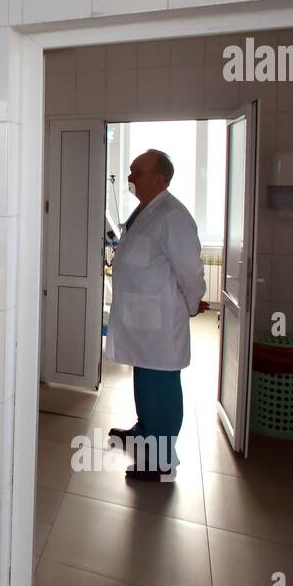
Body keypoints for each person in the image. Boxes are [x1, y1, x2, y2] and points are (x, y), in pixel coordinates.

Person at [105, 149, 208, 481]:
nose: (131, 178)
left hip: (161, 320)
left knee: (160, 386)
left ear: (160, 179)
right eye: (131, 172)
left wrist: (192, 305)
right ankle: (144, 431)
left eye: (137, 172)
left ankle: (162, 461)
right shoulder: (146, 211)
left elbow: (190, 271)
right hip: (143, 318)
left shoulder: (172, 216)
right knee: (144, 380)